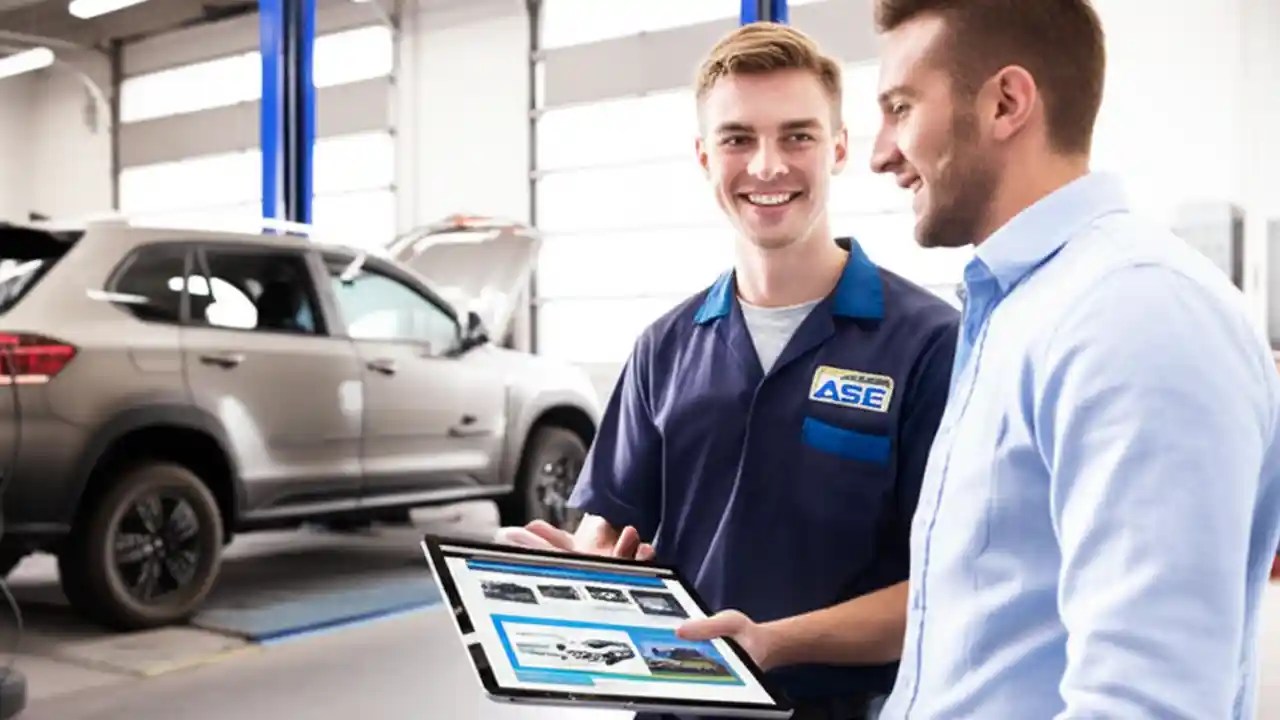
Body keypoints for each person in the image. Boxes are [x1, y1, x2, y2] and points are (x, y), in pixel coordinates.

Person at [497, 22, 959, 720]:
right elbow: (609, 533)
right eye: (738, 138)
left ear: (837, 147)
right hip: (673, 709)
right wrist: (581, 578)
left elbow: (949, 586)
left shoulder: (927, 343)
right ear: (704, 155)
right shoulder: (664, 348)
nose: (767, 165)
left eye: (797, 135)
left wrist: (771, 643)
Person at [865, 1, 1280, 718]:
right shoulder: (1024, 308)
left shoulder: (1134, 314)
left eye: (900, 108)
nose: (880, 152)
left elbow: (1148, 703)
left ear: (1006, 103)